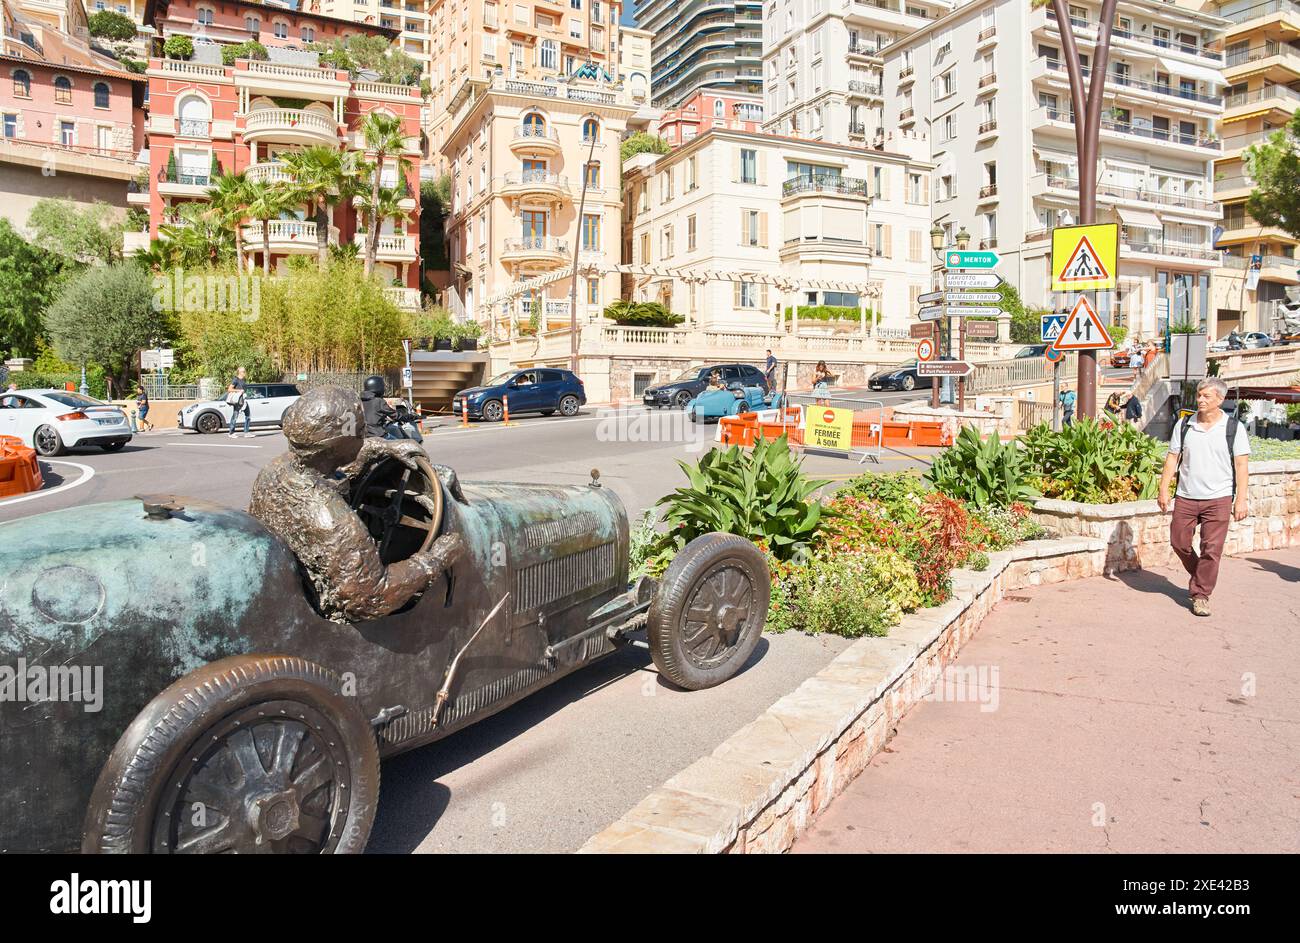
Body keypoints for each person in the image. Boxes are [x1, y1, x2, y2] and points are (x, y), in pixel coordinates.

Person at [249, 386, 463, 623]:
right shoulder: (334, 521)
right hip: (332, 619)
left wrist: (383, 447)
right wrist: (435, 560)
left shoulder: (277, 470)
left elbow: (336, 466)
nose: (364, 436)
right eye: (360, 432)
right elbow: (371, 598)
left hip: (289, 597)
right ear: (338, 445)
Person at [1157, 377, 1250, 617]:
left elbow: (1241, 465)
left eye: (1206, 396)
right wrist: (1163, 489)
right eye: (1199, 395)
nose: (1200, 400)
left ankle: (1200, 595)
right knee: (1179, 542)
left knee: (1212, 549)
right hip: (1187, 496)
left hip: (1218, 498)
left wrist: (1241, 499)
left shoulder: (1233, 428)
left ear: (1220, 399)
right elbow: (1172, 458)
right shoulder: (1185, 425)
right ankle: (1202, 575)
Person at [227, 366, 252, 438]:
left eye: (245, 371)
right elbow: (229, 389)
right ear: (240, 372)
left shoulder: (243, 380)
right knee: (235, 415)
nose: (245, 373)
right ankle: (231, 433)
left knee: (248, 415)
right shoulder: (236, 379)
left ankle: (246, 432)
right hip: (238, 400)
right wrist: (239, 390)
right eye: (243, 371)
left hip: (243, 399)